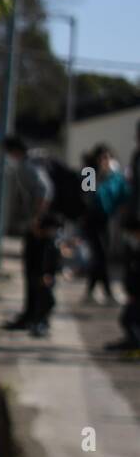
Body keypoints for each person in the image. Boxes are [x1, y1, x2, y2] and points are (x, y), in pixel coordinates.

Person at [3, 136, 57, 333]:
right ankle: (31, 315)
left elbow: (45, 192)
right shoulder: (31, 164)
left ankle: (37, 317)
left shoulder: (29, 166)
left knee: (38, 274)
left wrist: (36, 220)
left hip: (40, 232)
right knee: (35, 274)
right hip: (40, 229)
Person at [83, 144, 130, 303]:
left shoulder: (116, 177)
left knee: (100, 257)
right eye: (102, 158)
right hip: (91, 219)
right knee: (101, 255)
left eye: (108, 158)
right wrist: (99, 177)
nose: (105, 161)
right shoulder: (89, 173)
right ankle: (108, 292)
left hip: (107, 219)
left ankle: (89, 292)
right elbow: (88, 196)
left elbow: (124, 195)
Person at [106, 214, 140, 352]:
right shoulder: (134, 247)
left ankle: (135, 345)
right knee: (129, 320)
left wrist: (135, 293)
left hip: (138, 293)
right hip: (135, 292)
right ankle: (132, 343)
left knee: (129, 320)